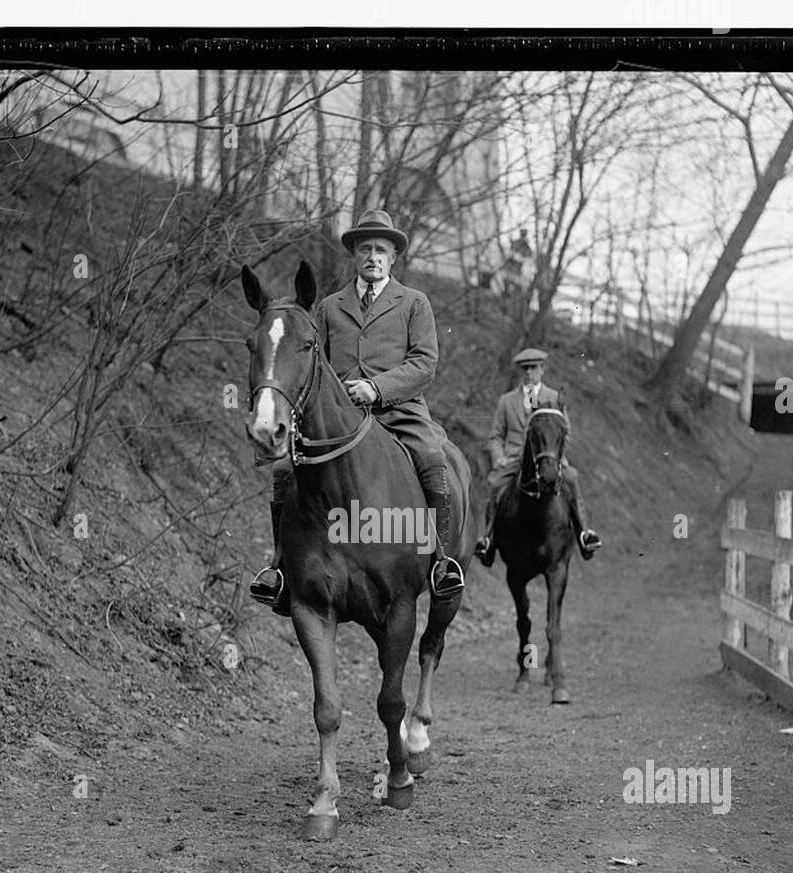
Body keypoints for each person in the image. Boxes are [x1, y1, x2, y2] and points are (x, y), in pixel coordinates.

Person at [250, 208, 466, 614]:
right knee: (283, 469)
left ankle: (439, 560)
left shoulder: (414, 303)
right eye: (365, 248)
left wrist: (376, 388)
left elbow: (424, 363)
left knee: (433, 458)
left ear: (392, 258)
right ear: (354, 255)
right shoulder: (330, 307)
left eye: (380, 250)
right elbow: (314, 360)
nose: (372, 256)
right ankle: (278, 568)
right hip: (339, 415)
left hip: (399, 411)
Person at [473, 347, 602, 567]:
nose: (529, 373)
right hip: (515, 459)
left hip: (547, 458)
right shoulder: (507, 401)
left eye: (534, 368)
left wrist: (555, 454)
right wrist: (499, 457)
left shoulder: (554, 398)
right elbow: (496, 435)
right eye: (525, 368)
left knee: (571, 479)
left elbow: (564, 433)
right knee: (495, 484)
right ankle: (488, 539)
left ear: (542, 370)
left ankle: (584, 534)